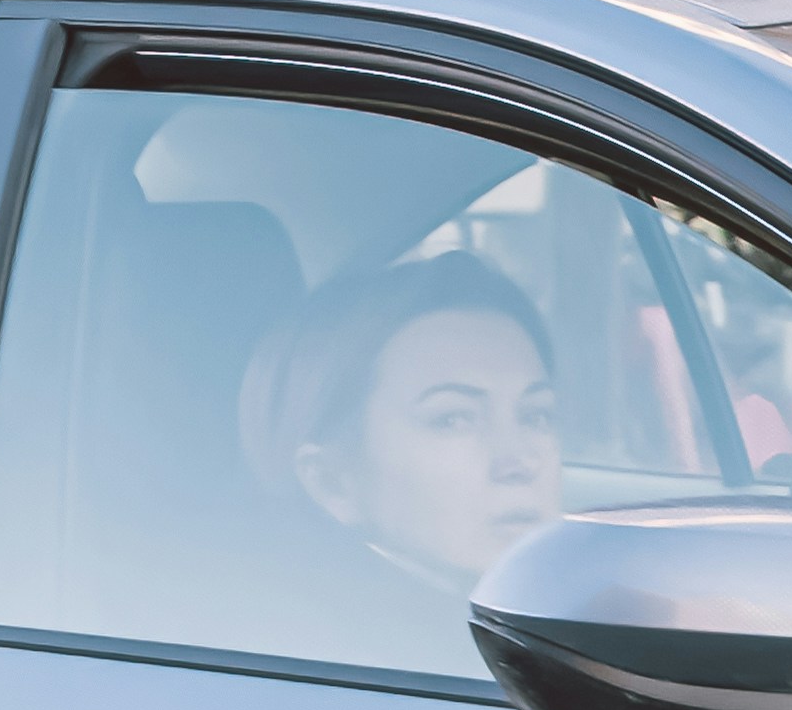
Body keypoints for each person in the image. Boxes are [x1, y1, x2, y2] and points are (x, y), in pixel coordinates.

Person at [239, 252, 563, 665]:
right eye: (452, 419)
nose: (519, 462)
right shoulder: (343, 663)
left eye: (536, 415)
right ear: (333, 482)